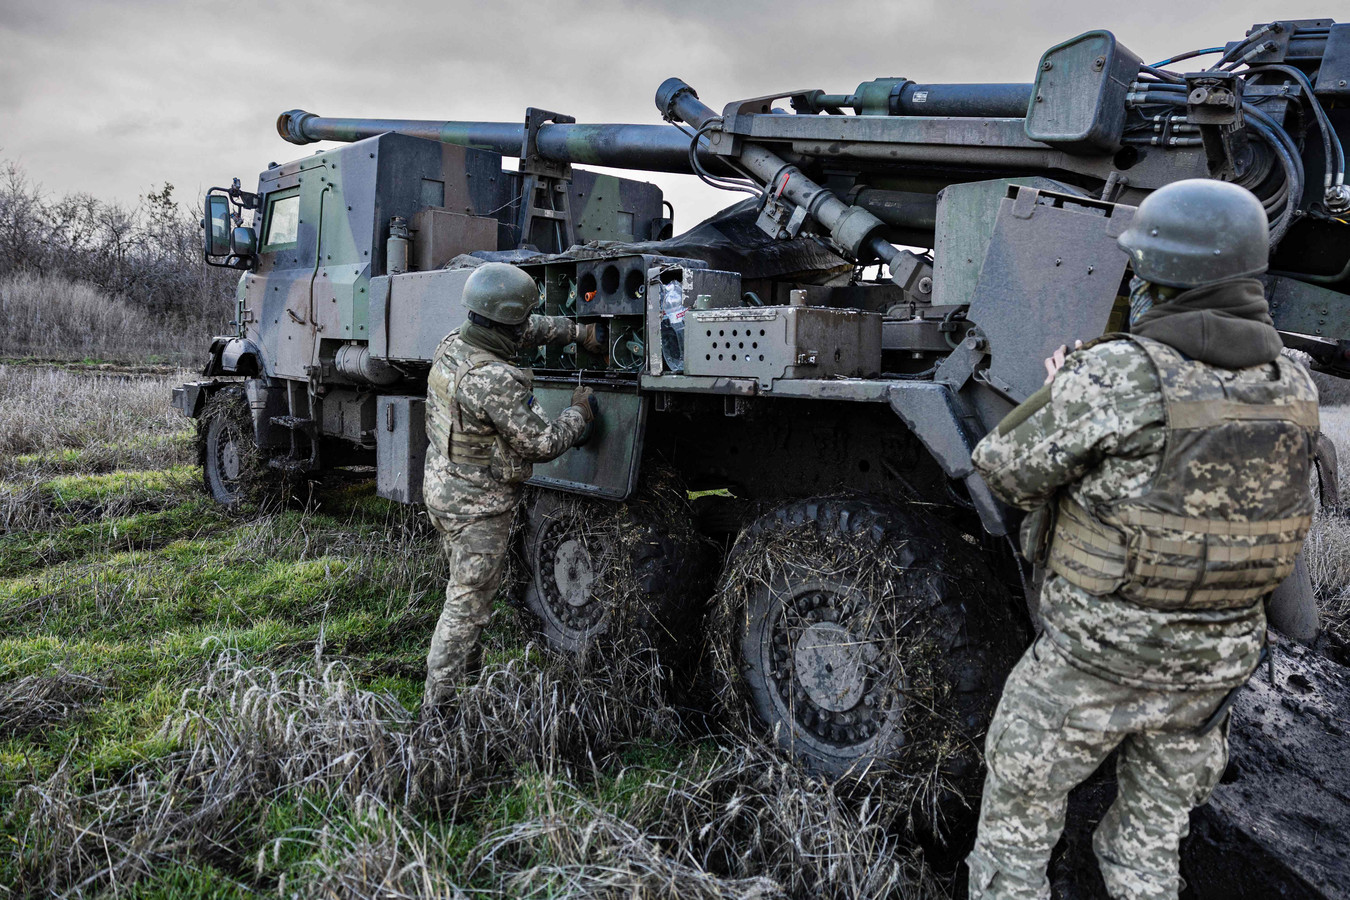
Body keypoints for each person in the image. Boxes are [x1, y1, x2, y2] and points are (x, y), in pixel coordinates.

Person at [965, 179, 1319, 900]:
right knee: (1146, 853)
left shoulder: (1116, 373)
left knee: (1017, 831)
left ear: (1159, 272)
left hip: (1098, 658)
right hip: (1212, 671)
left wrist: (1067, 388)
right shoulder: (1294, 383)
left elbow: (1002, 468)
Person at [420, 262, 603, 712]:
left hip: (444, 488)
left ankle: (465, 686)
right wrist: (579, 413)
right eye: (520, 321)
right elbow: (542, 443)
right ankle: (438, 711)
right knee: (467, 606)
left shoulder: (455, 343)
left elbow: (525, 329)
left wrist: (577, 333)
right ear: (506, 322)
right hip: (478, 508)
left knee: (466, 590)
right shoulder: (495, 381)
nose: (525, 329)